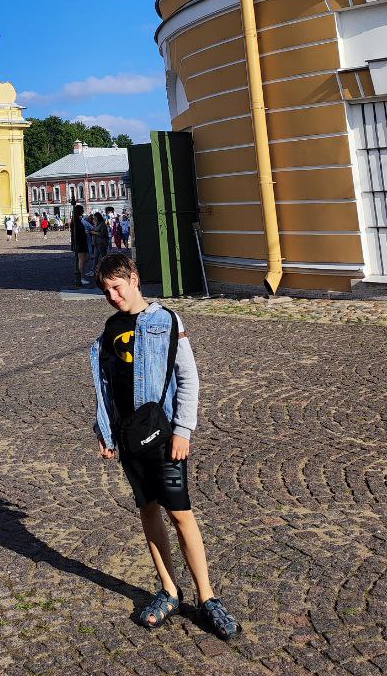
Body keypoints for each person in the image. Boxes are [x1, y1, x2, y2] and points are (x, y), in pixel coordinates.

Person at [91, 252, 241, 639]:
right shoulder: (108, 330)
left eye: (117, 287)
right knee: (148, 510)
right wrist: (106, 435)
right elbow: (106, 388)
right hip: (128, 438)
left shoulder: (166, 321)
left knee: (181, 513)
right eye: (106, 290)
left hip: (164, 436)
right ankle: (169, 591)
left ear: (134, 279)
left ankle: (207, 599)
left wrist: (183, 430)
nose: (112, 296)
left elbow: (188, 377)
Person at [70, 203, 89, 288]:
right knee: (82, 259)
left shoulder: (76, 219)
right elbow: (77, 233)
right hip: (79, 242)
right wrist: (85, 233)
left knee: (84, 259)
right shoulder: (76, 221)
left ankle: (81, 276)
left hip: (80, 241)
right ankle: (80, 278)